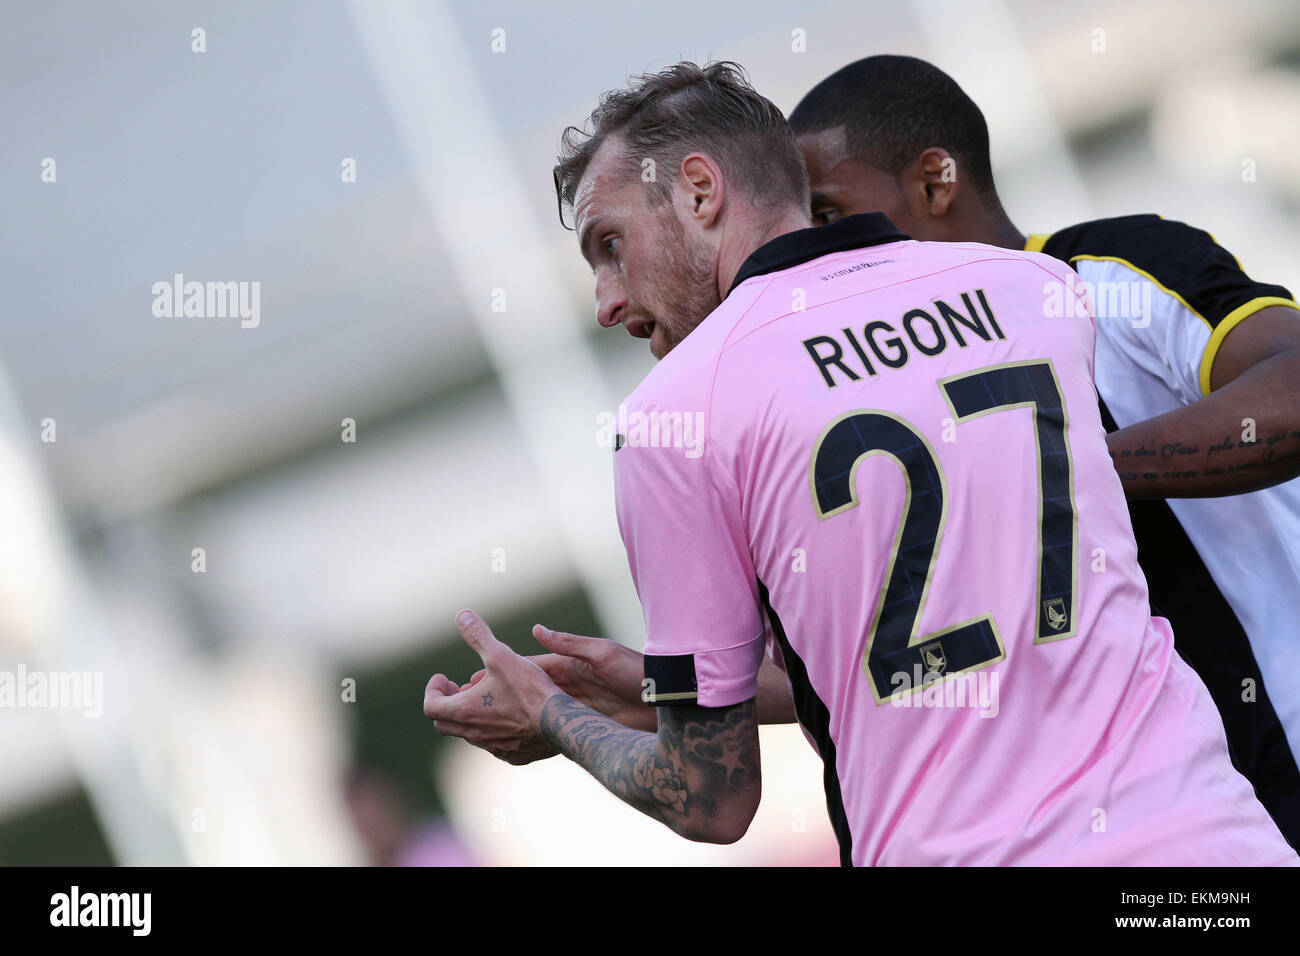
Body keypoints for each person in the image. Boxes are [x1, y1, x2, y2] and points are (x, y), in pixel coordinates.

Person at [424, 61, 1297, 865]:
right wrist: (668, 689)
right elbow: (948, 659)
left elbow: (710, 800)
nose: (608, 303)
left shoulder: (675, 416)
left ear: (698, 192)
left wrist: (556, 717)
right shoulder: (1030, 292)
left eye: (609, 245)